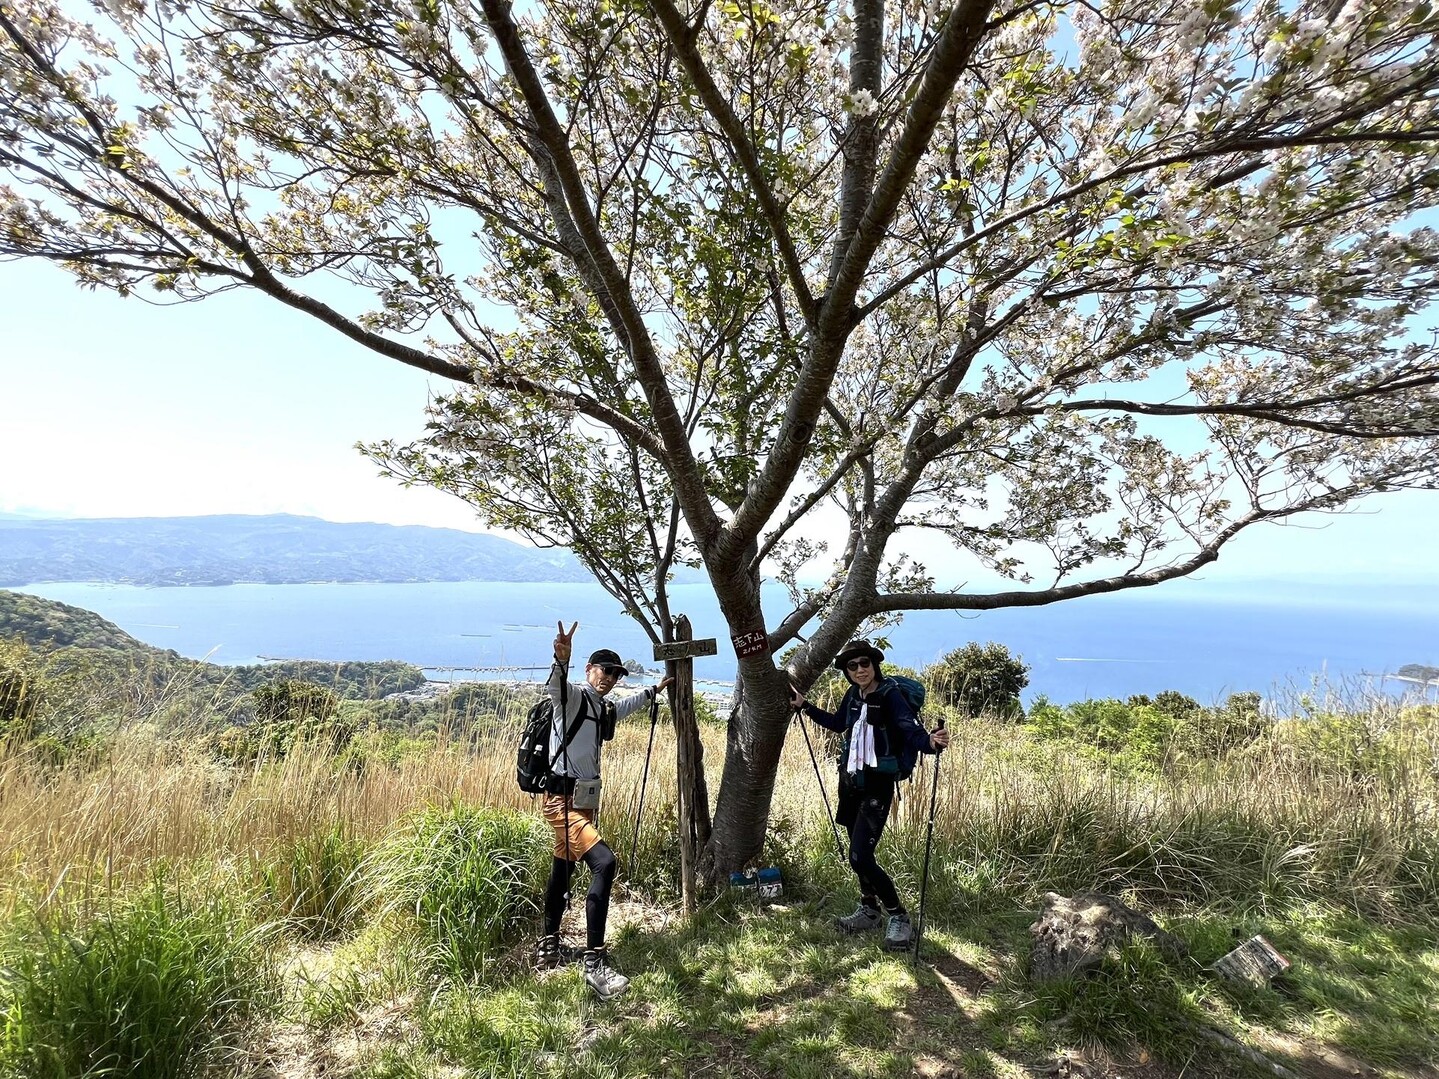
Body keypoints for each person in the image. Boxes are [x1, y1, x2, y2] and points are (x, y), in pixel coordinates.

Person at [536, 620, 672, 1000]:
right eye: (604, 670)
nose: (610, 678)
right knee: (604, 863)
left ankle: (548, 946)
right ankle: (594, 963)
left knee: (562, 867)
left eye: (615, 673)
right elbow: (555, 688)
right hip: (561, 801)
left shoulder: (601, 708)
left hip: (583, 803)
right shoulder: (574, 698)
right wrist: (560, 659)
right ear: (589, 670)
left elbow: (624, 708)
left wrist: (653, 691)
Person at [789, 639, 950, 951]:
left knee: (860, 855)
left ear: (875, 665)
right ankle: (869, 909)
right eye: (853, 666)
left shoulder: (889, 696)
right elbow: (838, 724)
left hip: (877, 785)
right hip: (851, 781)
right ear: (847, 672)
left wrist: (931, 742)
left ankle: (899, 917)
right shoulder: (853, 694)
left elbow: (910, 731)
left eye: (865, 663)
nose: (860, 670)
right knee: (857, 853)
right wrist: (804, 706)